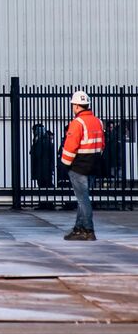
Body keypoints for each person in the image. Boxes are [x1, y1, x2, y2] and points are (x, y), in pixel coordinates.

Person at [60, 90, 105, 240]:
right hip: (93, 163)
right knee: (83, 197)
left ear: (77, 106)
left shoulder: (77, 123)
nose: (73, 107)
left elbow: (70, 146)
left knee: (82, 199)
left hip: (79, 165)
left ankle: (88, 229)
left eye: (73, 105)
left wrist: (65, 164)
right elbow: (102, 144)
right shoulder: (98, 121)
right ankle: (78, 228)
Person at [30, 122, 55, 188]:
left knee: (45, 186)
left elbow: (38, 153)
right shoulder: (41, 140)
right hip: (43, 169)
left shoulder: (42, 141)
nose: (33, 132)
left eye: (34, 130)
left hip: (43, 169)